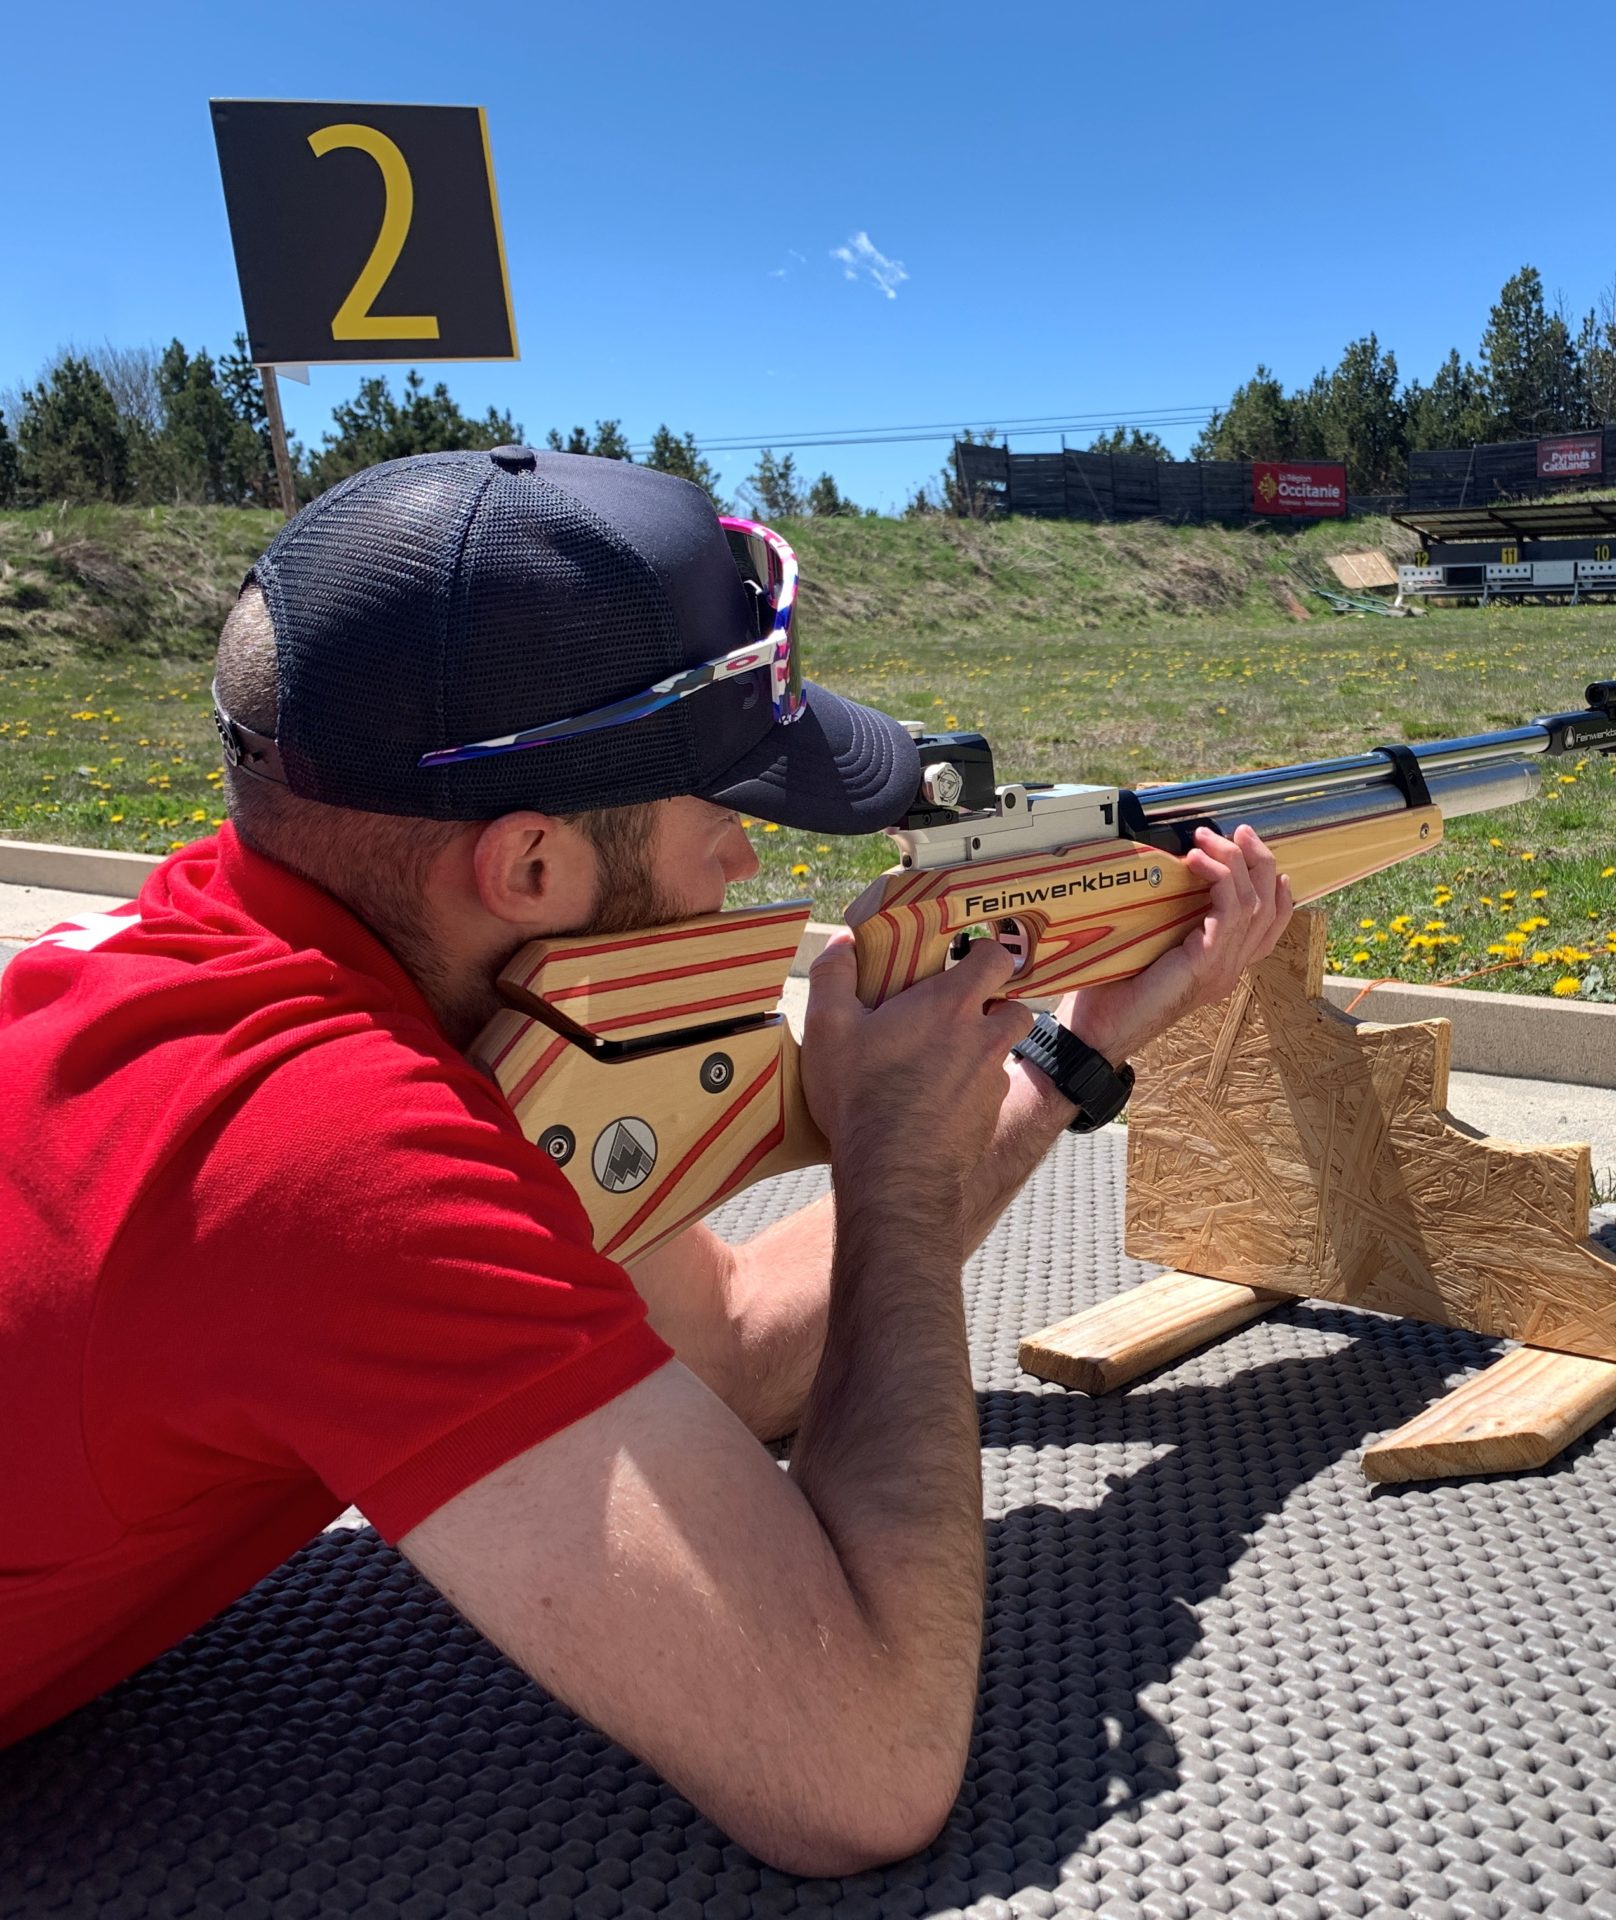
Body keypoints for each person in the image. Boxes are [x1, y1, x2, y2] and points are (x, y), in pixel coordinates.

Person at [0, 447, 1292, 1874]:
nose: (745, 865)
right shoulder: (335, 1156)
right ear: (531, 870)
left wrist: (1058, 1064)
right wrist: (896, 1180)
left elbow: (730, 1348)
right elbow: (859, 1764)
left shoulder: (264, 953)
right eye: (723, 813)